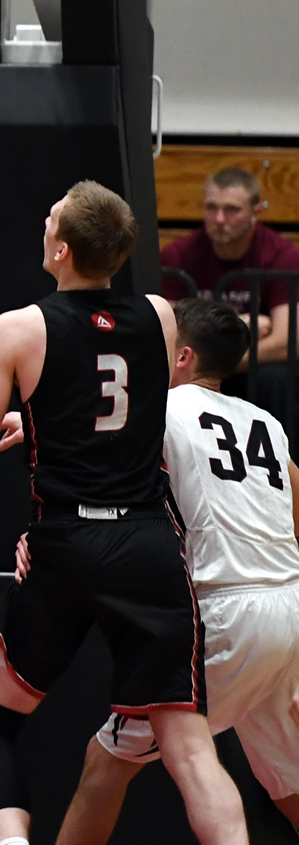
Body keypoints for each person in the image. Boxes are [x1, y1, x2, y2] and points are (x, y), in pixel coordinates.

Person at [0, 181, 246, 845]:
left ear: (61, 249)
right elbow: (125, 405)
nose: (44, 220)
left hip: (65, 543)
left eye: (51, 216)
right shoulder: (160, 316)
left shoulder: (19, 328)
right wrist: (41, 420)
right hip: (147, 544)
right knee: (192, 751)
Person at [40, 297, 299, 843]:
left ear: (182, 357)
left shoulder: (158, 406)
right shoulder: (267, 423)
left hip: (221, 612)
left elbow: (92, 458)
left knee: (108, 761)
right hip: (287, 607)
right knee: (290, 784)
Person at [160, 167, 299, 417]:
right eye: (211, 208)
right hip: (195, 369)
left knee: (277, 378)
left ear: (256, 213)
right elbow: (169, 332)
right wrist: (243, 324)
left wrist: (216, 364)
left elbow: (287, 341)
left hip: (247, 369)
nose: (219, 219)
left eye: (232, 210)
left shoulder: (282, 256)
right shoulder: (177, 255)